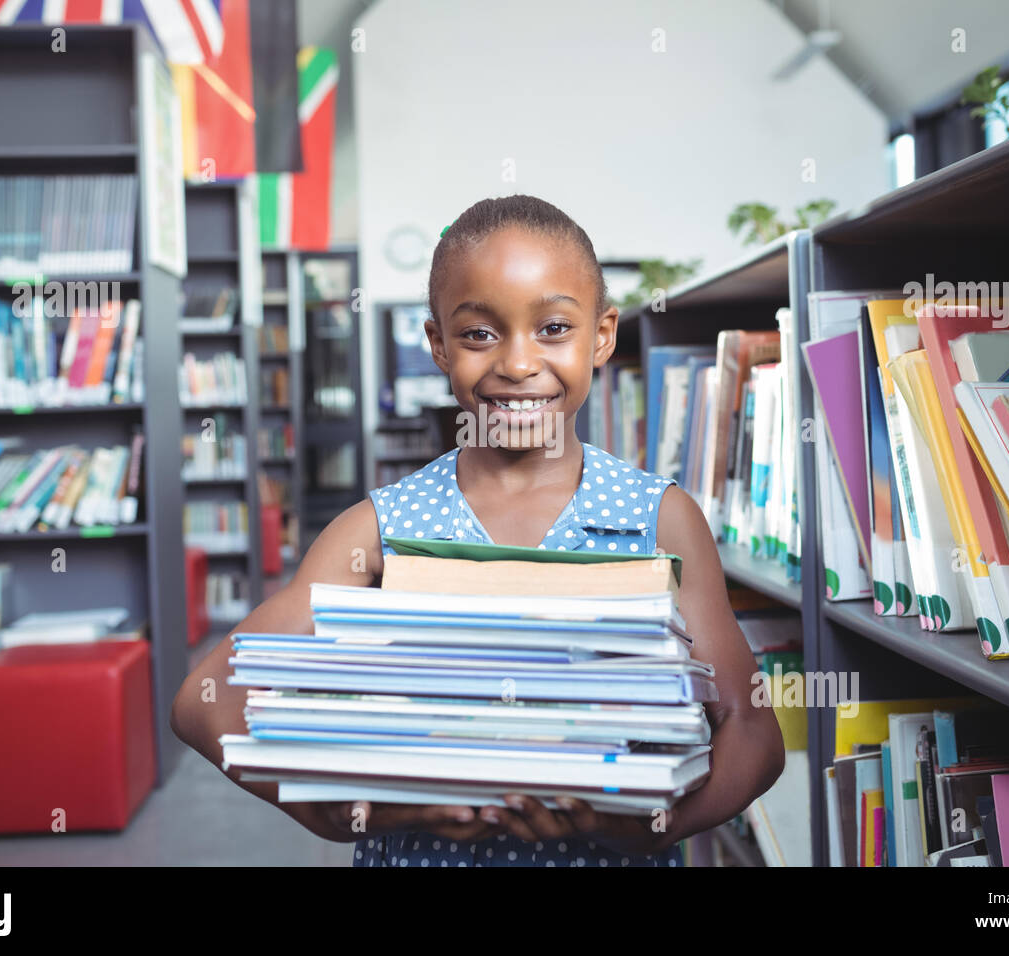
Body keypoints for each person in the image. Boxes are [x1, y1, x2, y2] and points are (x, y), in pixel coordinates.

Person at [171, 194, 785, 867]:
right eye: (479, 334)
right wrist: (349, 813)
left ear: (602, 336)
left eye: (553, 328)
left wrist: (658, 825)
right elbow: (205, 702)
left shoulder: (659, 518)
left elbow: (752, 727)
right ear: (438, 345)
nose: (518, 364)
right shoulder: (379, 531)